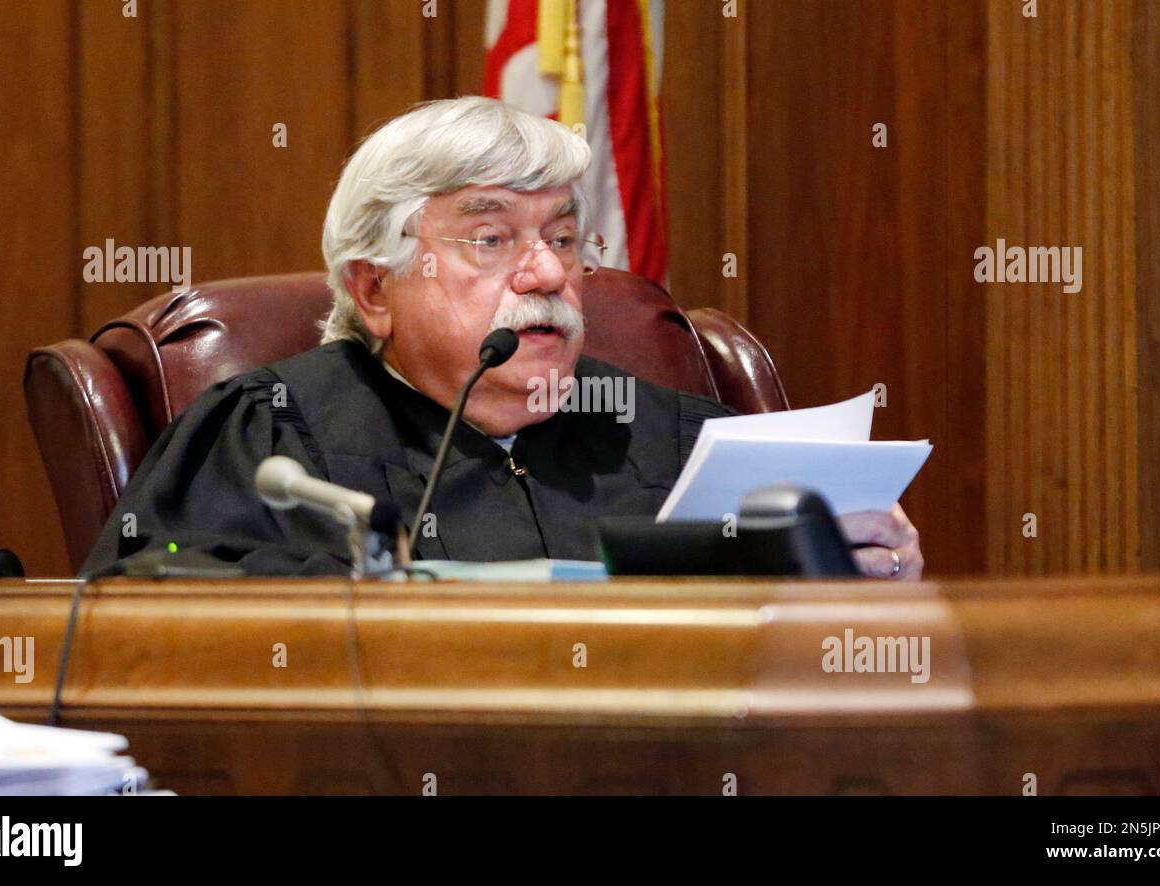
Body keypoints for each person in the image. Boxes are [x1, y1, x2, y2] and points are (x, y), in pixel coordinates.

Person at [81, 97, 922, 580]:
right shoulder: (272, 432)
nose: (547, 275)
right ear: (374, 289)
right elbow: (143, 594)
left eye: (561, 238)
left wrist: (866, 570)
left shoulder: (677, 435)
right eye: (491, 240)